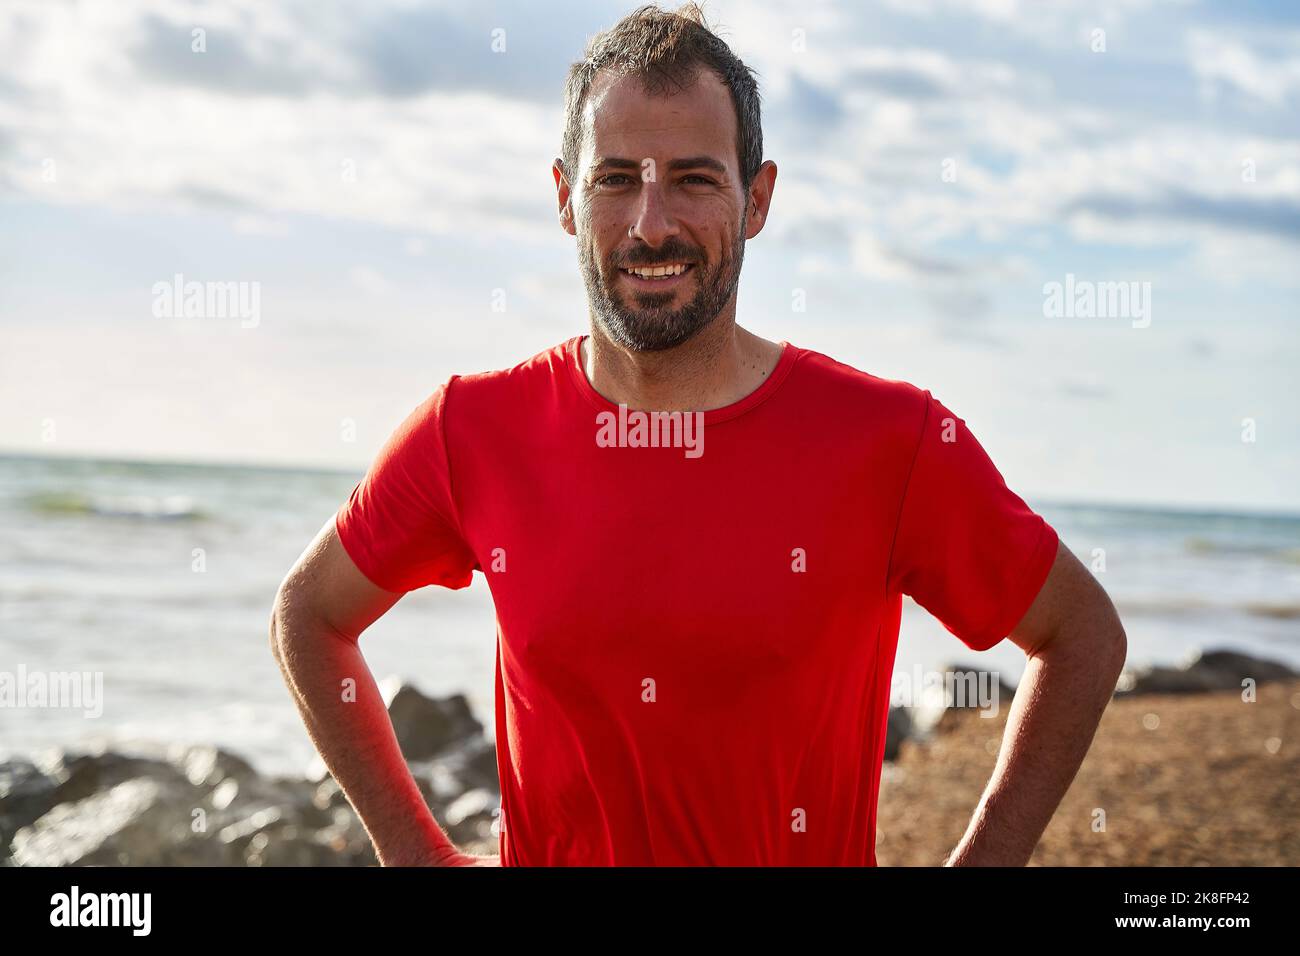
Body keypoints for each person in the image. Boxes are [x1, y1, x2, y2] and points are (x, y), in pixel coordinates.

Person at [270, 2, 1127, 867]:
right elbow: (308, 617)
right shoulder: (471, 431)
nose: (651, 224)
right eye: (615, 180)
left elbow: (1080, 635)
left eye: (693, 178)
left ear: (756, 200)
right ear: (565, 198)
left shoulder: (890, 441)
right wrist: (415, 853)